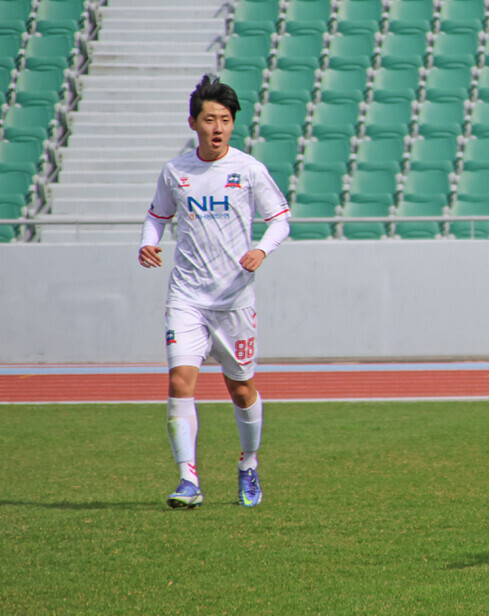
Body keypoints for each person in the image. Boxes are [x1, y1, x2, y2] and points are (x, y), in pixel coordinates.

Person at [138, 75, 291, 509]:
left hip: (234, 300)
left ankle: (248, 464)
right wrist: (148, 241)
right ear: (194, 123)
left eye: (225, 119)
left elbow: (280, 218)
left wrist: (262, 249)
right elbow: (157, 216)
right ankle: (188, 479)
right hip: (186, 296)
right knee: (179, 380)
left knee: (241, 389)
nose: (218, 127)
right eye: (210, 119)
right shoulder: (176, 171)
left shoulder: (248, 169)